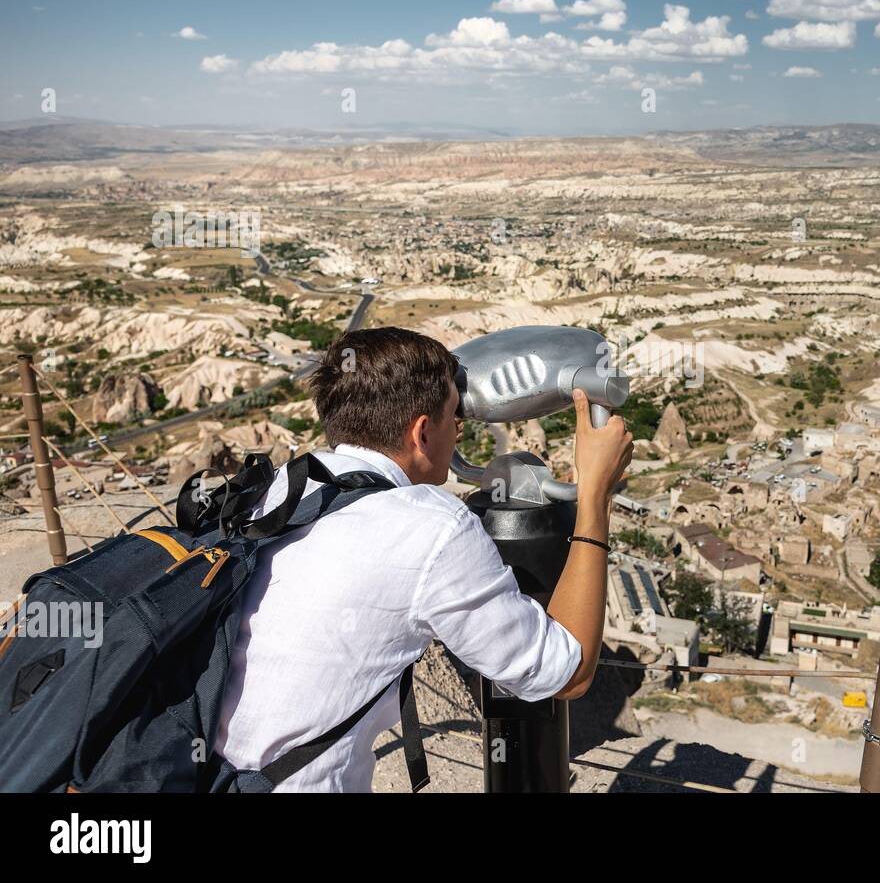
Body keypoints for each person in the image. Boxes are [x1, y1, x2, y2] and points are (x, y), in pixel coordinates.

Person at [213, 326, 633, 791]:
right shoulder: (433, 529)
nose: (459, 428)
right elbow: (564, 675)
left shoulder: (276, 493)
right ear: (421, 432)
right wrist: (594, 494)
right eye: (455, 416)